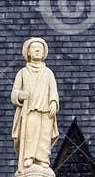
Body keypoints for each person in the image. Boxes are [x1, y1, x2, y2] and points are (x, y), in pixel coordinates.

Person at [10, 37, 60, 169]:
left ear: (44, 53)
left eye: (40, 48)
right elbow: (14, 92)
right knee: (30, 134)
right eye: (34, 48)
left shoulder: (48, 73)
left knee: (44, 135)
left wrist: (54, 102)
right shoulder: (22, 73)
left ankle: (42, 158)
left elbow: (53, 90)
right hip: (30, 111)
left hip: (46, 111)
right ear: (28, 52)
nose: (37, 50)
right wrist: (20, 95)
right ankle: (29, 156)